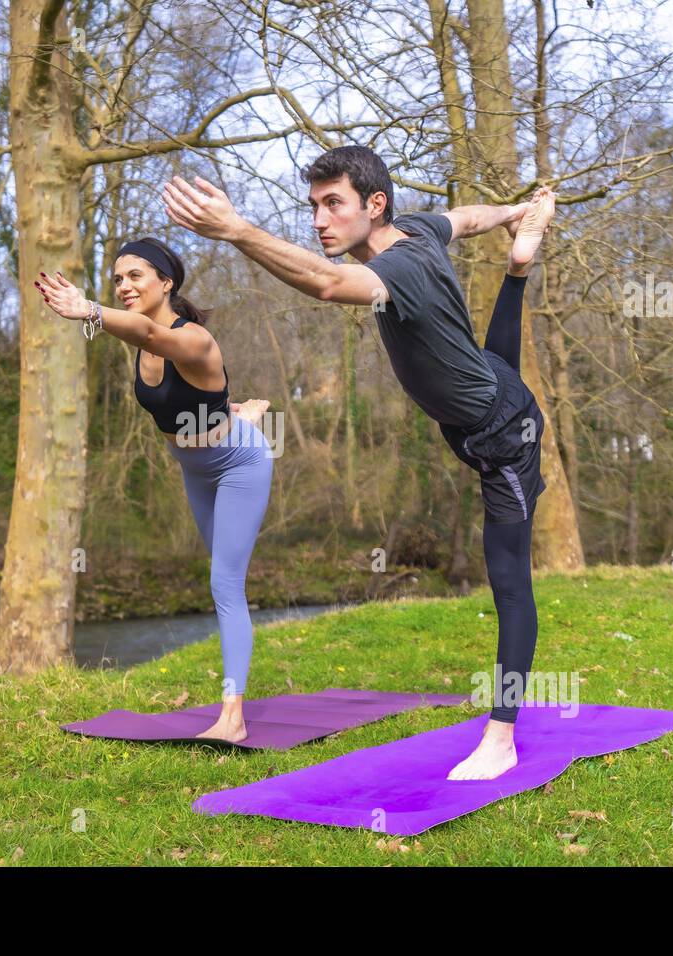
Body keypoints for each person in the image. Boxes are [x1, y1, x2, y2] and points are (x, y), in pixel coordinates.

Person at [161, 147, 557, 779]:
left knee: (508, 579)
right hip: (482, 399)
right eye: (314, 205)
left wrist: (236, 230)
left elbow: (324, 283)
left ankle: (502, 735)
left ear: (375, 206)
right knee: (493, 368)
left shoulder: (401, 268)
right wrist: (513, 212)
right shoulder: (420, 230)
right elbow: (467, 218)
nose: (319, 220)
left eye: (333, 204)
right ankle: (520, 263)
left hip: (505, 437)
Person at [34, 237, 273, 743]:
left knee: (224, 584)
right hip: (194, 467)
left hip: (239, 464)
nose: (123, 286)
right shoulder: (141, 344)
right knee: (222, 578)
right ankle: (243, 416)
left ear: (166, 282)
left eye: (135, 276)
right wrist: (232, 408)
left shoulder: (196, 339)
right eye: (117, 279)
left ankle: (232, 718)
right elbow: (176, 397)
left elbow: (149, 331)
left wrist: (86, 310)